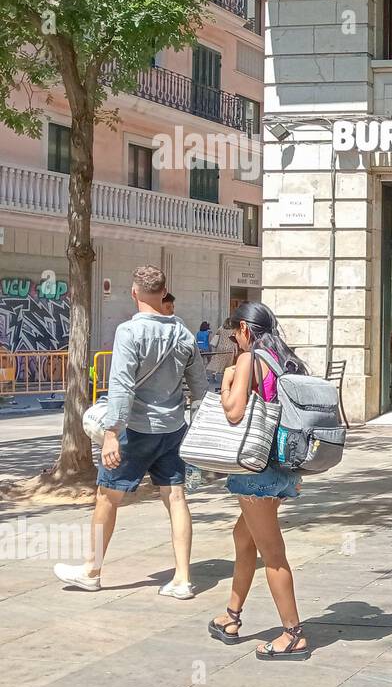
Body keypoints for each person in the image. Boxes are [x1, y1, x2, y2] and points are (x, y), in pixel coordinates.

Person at [54, 265, 205, 598]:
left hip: (135, 429)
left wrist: (112, 432)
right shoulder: (183, 333)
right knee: (176, 497)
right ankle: (182, 578)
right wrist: (196, 423)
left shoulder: (128, 332)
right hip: (173, 428)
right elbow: (199, 384)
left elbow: (121, 385)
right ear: (164, 293)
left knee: (107, 496)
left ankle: (91, 570)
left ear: (134, 293)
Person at [206, 301, 310, 660]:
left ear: (246, 330)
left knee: (273, 553)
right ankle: (231, 617)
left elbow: (234, 413)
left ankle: (293, 633)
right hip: (283, 467)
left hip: (256, 471)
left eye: (235, 331)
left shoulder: (250, 359)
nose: (234, 338)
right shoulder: (285, 360)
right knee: (242, 535)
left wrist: (226, 382)